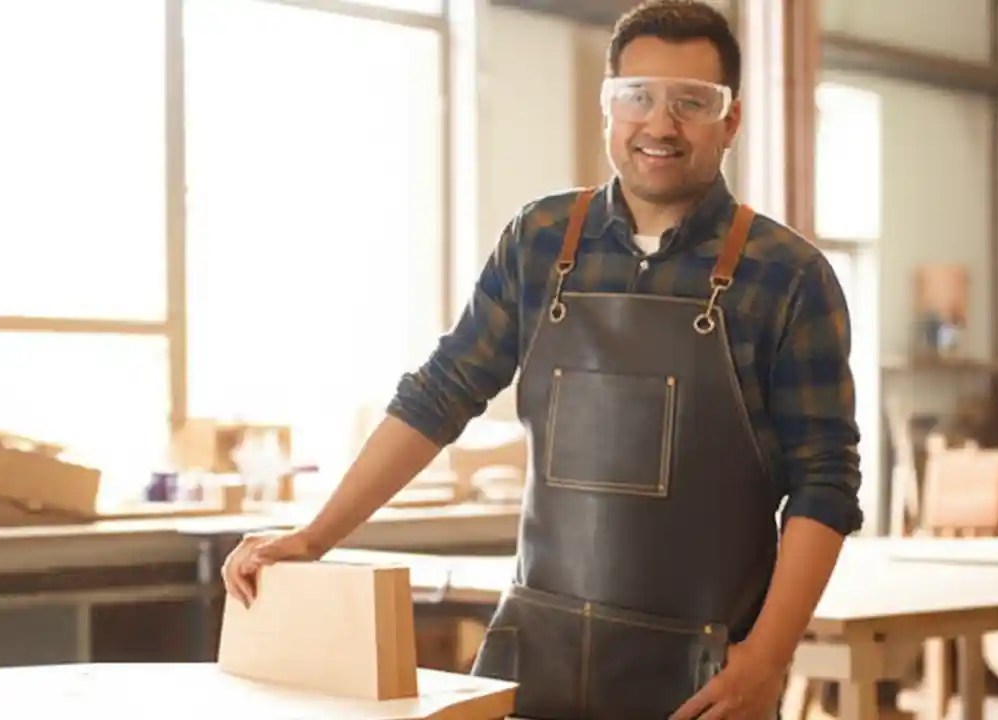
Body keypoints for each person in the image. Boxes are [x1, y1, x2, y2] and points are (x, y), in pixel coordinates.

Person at [221, 0, 863, 717]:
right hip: (537, 660)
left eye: (691, 103)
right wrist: (314, 536)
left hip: (705, 682)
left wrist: (767, 658)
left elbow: (824, 484)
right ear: (607, 108)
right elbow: (440, 393)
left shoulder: (789, 277)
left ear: (731, 121)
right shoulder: (540, 241)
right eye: (638, 97)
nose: (660, 123)